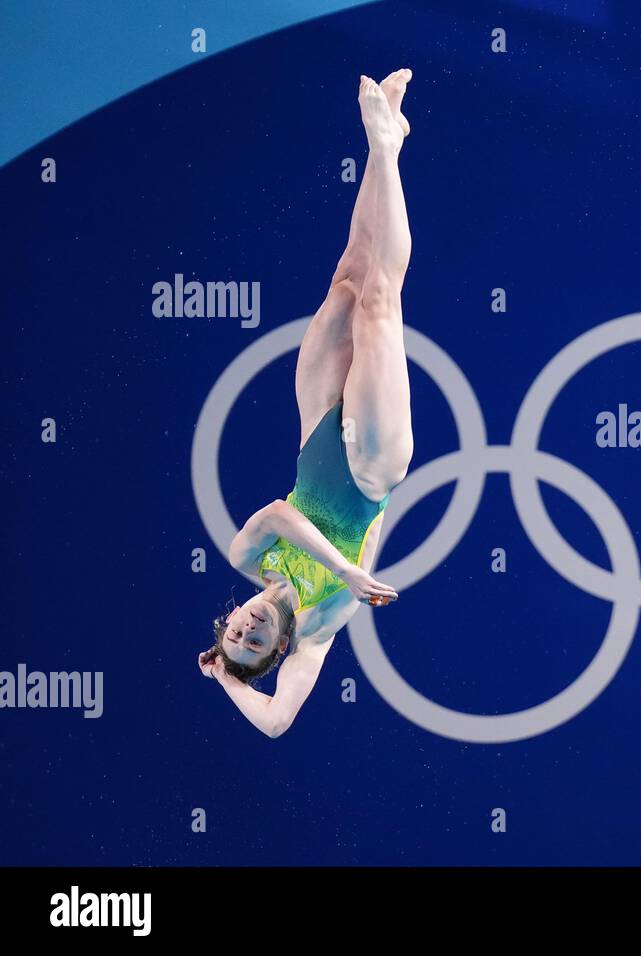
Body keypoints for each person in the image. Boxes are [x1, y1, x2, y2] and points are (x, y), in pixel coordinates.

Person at [198, 70, 416, 738]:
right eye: (254, 645)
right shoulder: (319, 629)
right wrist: (235, 681)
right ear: (278, 650)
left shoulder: (246, 555)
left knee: (348, 279)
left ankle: (392, 145)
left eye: (234, 631)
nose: (248, 628)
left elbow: (279, 514)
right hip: (373, 467)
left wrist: (224, 671)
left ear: (230, 616)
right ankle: (382, 145)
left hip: (316, 433)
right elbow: (275, 724)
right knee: (382, 297)